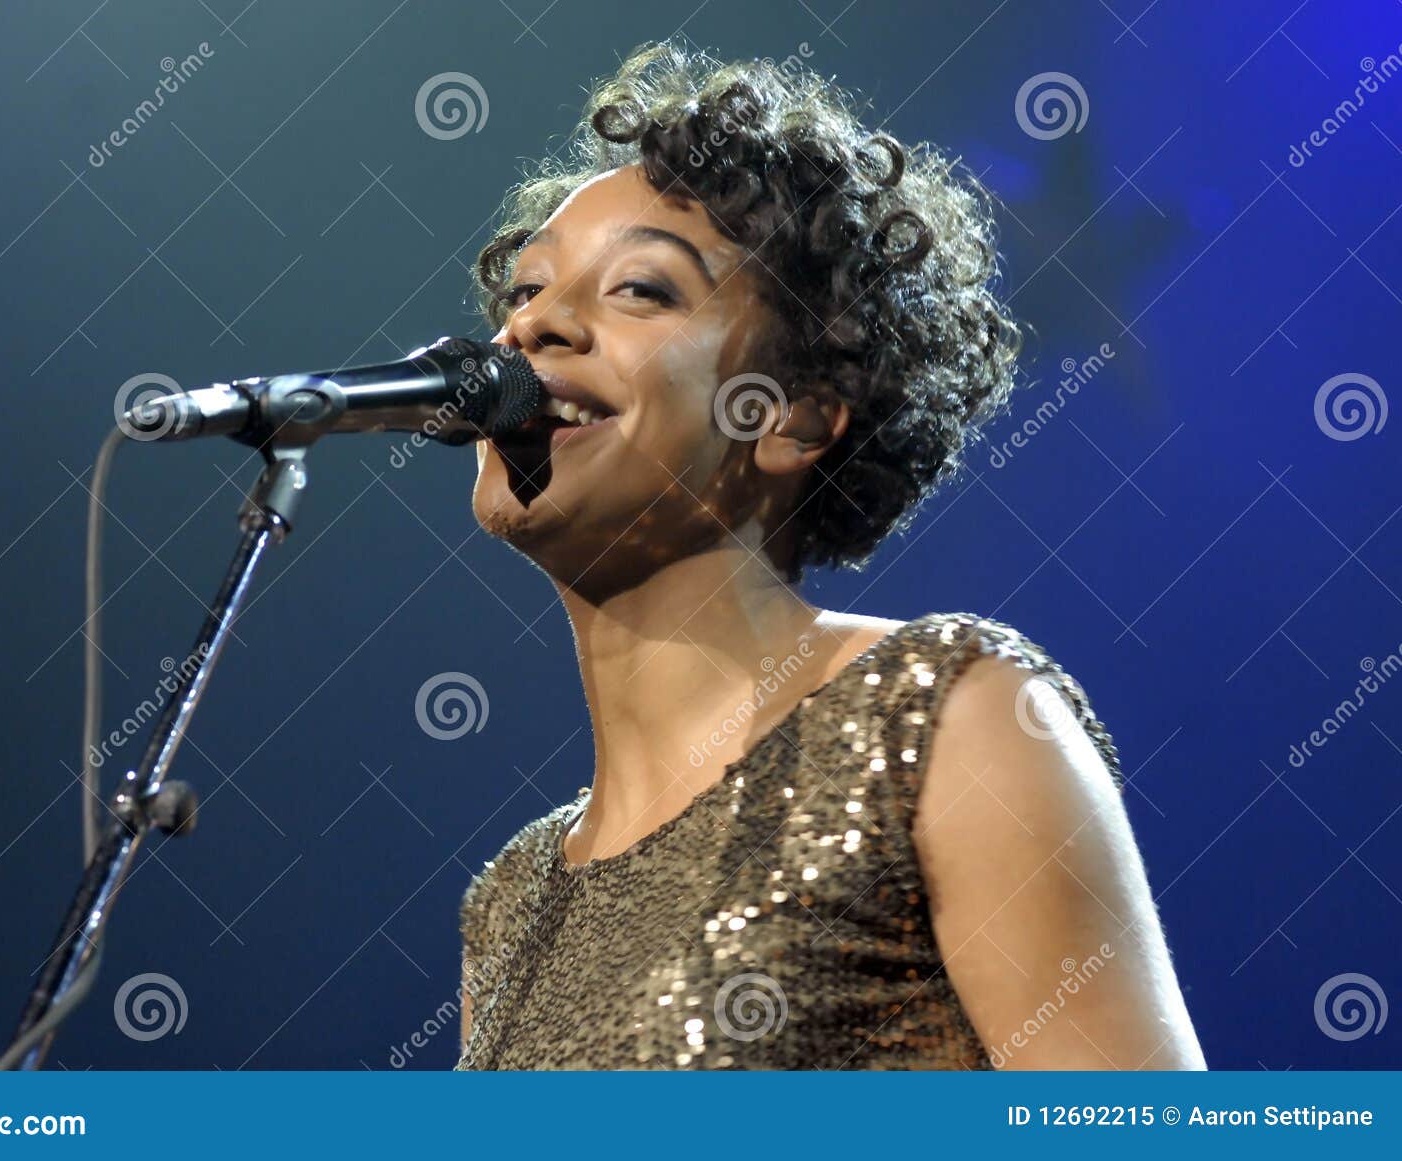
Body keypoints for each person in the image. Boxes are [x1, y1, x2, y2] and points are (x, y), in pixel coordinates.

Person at [454, 39, 1204, 1070]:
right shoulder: (513, 900)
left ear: (794, 419)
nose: (534, 327)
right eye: (525, 292)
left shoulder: (949, 714)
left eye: (641, 290)